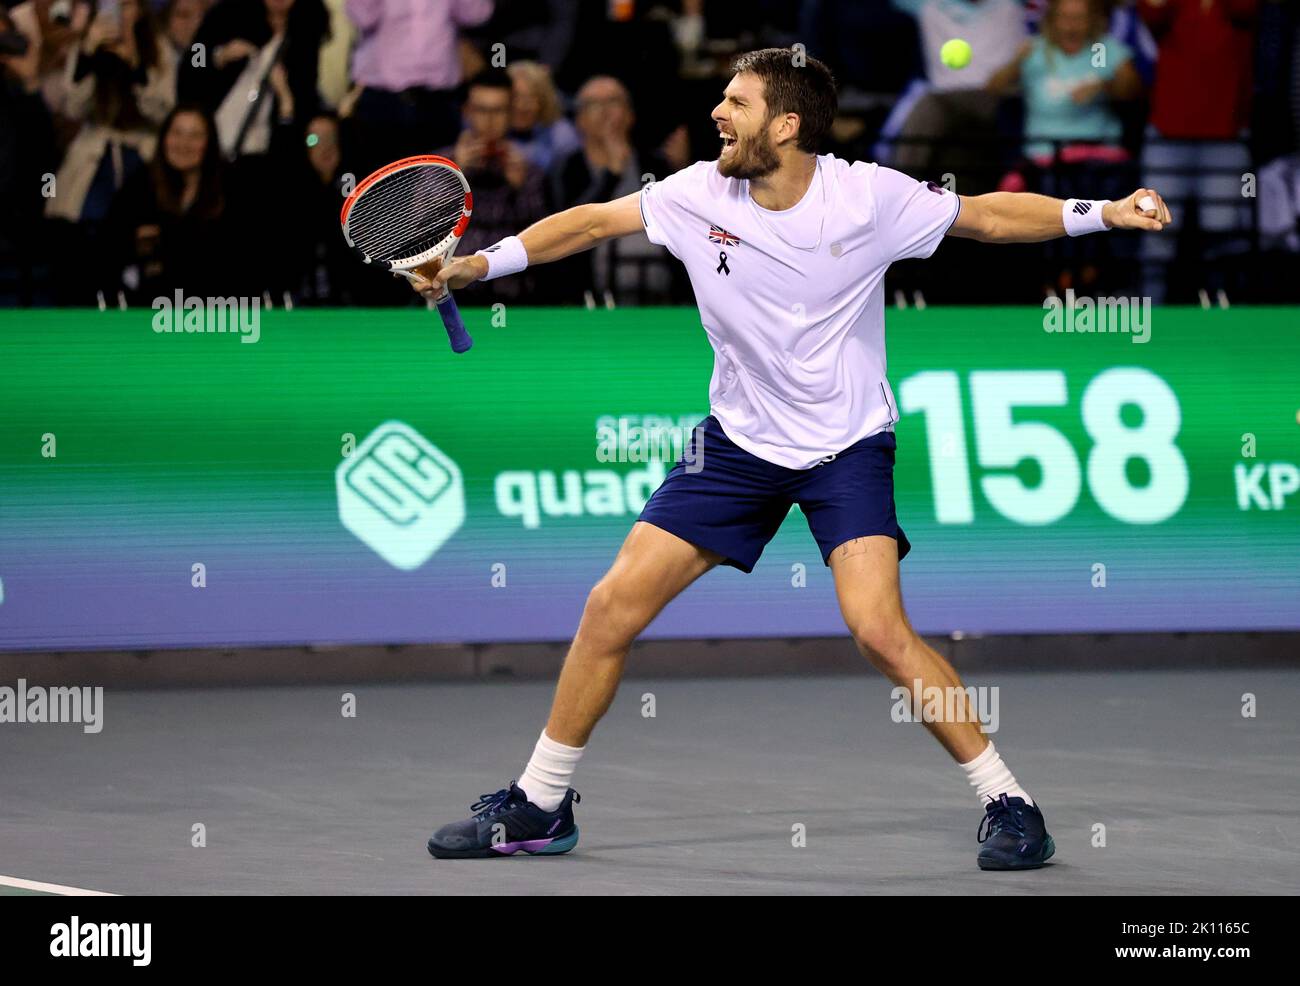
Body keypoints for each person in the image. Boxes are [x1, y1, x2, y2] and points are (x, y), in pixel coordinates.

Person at [411, 48, 1174, 870]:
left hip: (846, 444)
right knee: (610, 608)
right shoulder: (696, 192)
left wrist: (1105, 212)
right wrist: (475, 264)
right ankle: (540, 804)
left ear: (787, 124)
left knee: (879, 630)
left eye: (735, 102)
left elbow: (988, 217)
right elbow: (593, 221)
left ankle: (1008, 802)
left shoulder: (868, 197)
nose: (716, 114)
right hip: (738, 443)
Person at [343, 0, 493, 179]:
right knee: (379, 192)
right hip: (383, 100)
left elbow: (477, 14)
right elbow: (361, 16)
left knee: (441, 188)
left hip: (439, 102)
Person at [436, 67, 546, 302]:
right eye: (482, 110)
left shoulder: (529, 169)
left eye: (499, 111)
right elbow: (421, 226)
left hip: (517, 294)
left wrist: (520, 188)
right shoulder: (441, 165)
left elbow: (544, 235)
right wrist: (456, 174)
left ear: (510, 113)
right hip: (452, 292)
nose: (490, 120)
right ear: (467, 111)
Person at [506, 60, 579, 173]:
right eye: (514, 97)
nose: (520, 106)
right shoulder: (491, 127)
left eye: (529, 98)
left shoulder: (562, 135)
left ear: (544, 102)